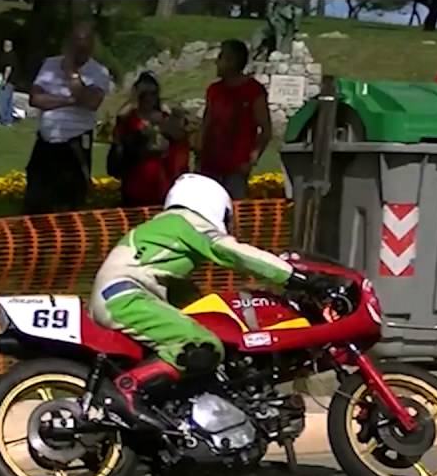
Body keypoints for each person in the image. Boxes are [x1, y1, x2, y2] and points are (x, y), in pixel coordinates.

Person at [89, 173, 334, 424]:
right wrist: (293, 276)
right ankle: (127, 390)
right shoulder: (185, 222)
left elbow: (184, 295)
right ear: (213, 203)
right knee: (201, 345)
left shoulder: (168, 230)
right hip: (124, 297)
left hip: (122, 295)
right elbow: (233, 253)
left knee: (202, 340)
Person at [24, 21, 112, 215]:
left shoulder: (98, 71)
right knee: (36, 199)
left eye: (85, 41)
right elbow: (36, 98)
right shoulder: (50, 64)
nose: (80, 46)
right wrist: (70, 100)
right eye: (76, 41)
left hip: (75, 143)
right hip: (46, 142)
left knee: (69, 200)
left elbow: (91, 102)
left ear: (91, 45)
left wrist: (71, 73)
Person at [198, 39, 272, 200]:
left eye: (221, 57)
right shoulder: (214, 91)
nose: (217, 62)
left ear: (233, 61)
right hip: (210, 165)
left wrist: (252, 159)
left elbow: (266, 130)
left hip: (237, 168)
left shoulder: (253, 91)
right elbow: (207, 124)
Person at [111, 72, 190, 208]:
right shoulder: (128, 118)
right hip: (134, 186)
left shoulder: (165, 117)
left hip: (162, 187)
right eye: (144, 94)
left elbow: (179, 138)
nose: (148, 98)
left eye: (152, 93)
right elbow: (118, 139)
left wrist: (163, 125)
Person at [0, 39, 19, 127]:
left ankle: (3, 119)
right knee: (9, 102)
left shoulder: (8, 56)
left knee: (2, 102)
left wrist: (4, 80)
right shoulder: (14, 56)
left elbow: (8, 68)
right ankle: (8, 120)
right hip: (12, 81)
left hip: (8, 81)